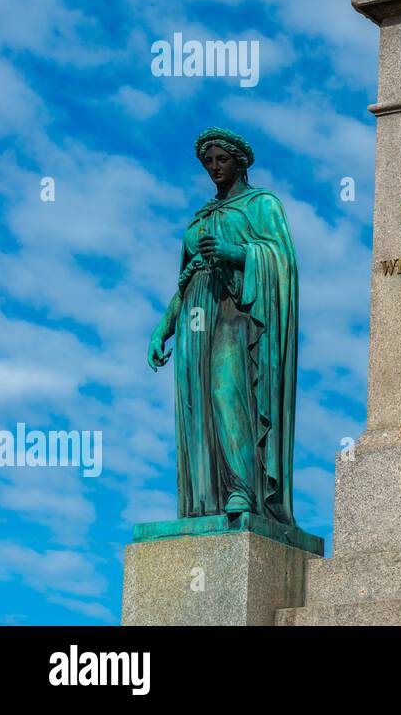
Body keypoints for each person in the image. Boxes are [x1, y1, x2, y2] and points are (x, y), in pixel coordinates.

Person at [147, 127, 300, 523]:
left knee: (226, 391)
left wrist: (236, 253)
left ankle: (244, 489)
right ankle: (207, 496)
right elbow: (185, 280)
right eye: (208, 161)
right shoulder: (201, 218)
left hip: (238, 312)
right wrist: (163, 327)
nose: (214, 167)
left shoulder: (261, 204)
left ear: (240, 162)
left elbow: (282, 261)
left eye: (221, 160)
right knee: (199, 405)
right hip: (196, 319)